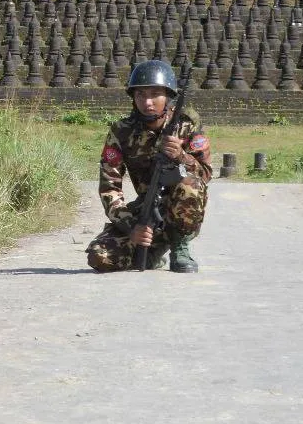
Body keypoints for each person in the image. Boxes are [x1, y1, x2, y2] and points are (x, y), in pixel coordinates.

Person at [86, 59, 212, 273]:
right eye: (140, 95)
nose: (148, 102)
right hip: (145, 209)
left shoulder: (187, 125)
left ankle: (179, 246)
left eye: (155, 94)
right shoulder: (121, 131)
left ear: (168, 96)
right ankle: (152, 253)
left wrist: (182, 156)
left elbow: (205, 174)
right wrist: (131, 227)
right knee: (100, 257)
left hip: (179, 209)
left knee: (190, 185)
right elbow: (109, 187)